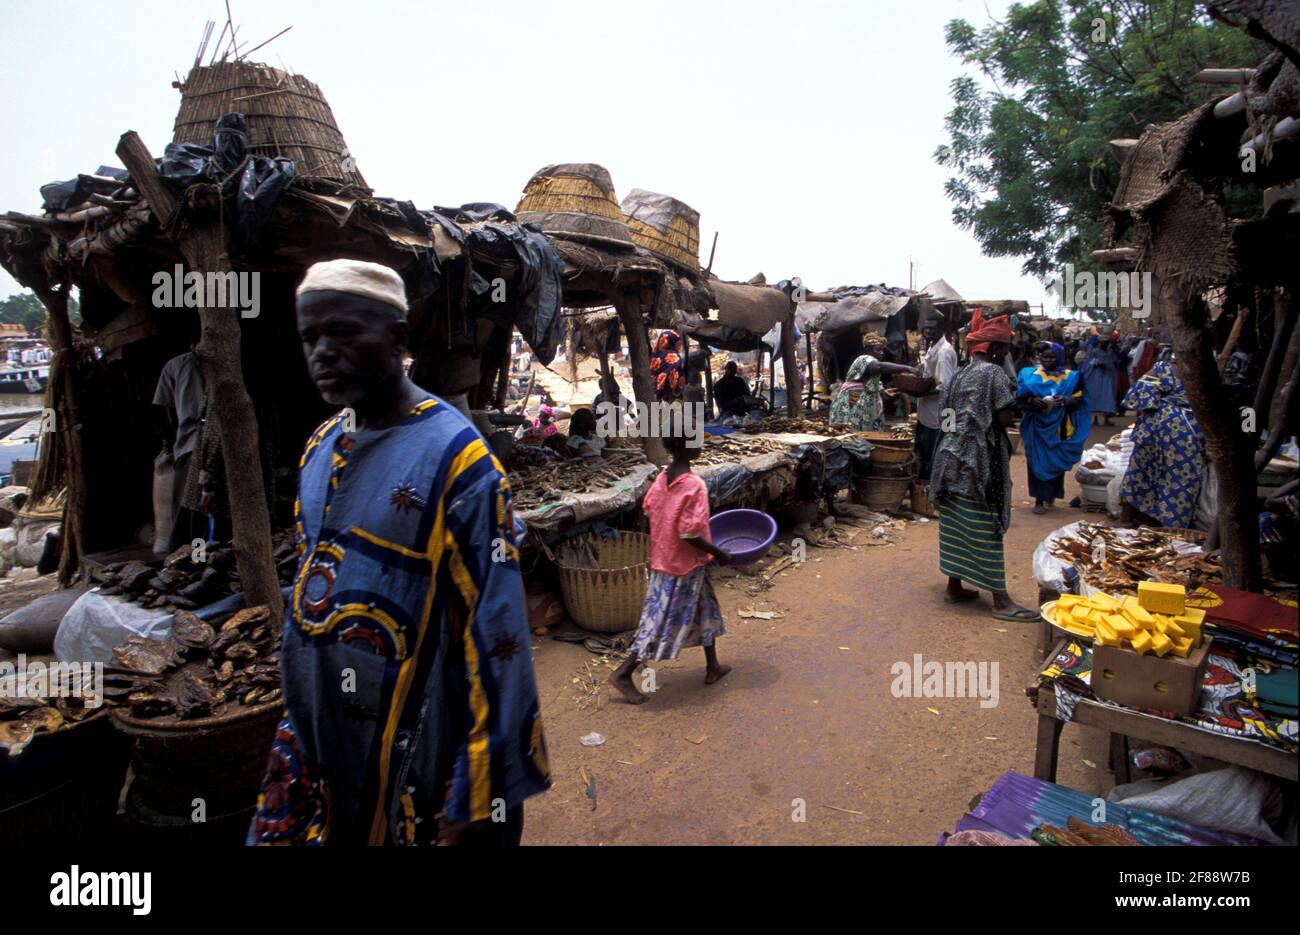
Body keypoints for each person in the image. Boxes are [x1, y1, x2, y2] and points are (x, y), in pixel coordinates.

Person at [248, 259, 549, 846]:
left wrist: (478, 789)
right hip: (322, 739)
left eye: (343, 333)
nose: (322, 354)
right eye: (310, 337)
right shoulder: (319, 448)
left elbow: (499, 628)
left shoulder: (458, 461)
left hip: (419, 746)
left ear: (399, 338)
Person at [609, 431, 732, 704]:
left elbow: (648, 509)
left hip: (665, 558)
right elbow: (690, 533)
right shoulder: (694, 485)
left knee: (706, 609)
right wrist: (720, 552)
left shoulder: (662, 477)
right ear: (692, 447)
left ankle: (713, 666)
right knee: (658, 621)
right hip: (681, 565)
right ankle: (624, 672)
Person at [930, 312, 1037, 621]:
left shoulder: (958, 375)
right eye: (1005, 349)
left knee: (954, 521)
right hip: (977, 461)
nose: (1007, 354)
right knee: (984, 523)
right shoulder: (993, 373)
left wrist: (959, 436)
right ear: (993, 349)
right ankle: (1001, 601)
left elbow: (946, 419)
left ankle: (954, 586)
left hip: (948, 456)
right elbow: (1004, 419)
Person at [1119, 355, 1207, 529]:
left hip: (1156, 428)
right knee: (1180, 481)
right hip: (1191, 431)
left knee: (1139, 472)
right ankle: (1172, 527)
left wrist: (1154, 408)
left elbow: (1141, 393)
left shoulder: (1162, 369)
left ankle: (1126, 520)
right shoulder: (1207, 373)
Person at [1016, 342, 1089, 514]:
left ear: (1060, 358)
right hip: (1036, 426)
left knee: (1054, 459)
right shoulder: (1029, 375)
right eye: (1045, 357)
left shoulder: (1072, 377)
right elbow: (1020, 398)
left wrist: (1064, 400)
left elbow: (1078, 400)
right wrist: (1033, 402)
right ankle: (1039, 500)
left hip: (1059, 426)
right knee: (1035, 461)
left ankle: (1051, 495)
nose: (1048, 360)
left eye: (1052, 357)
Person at [153, 346, 207, 551]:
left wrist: (168, 441)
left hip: (189, 443)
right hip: (203, 441)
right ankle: (198, 555)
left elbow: (160, 408)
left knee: (188, 506)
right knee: (199, 507)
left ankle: (189, 557)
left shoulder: (175, 365)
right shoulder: (217, 360)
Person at [913, 314, 958, 480]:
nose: (928, 331)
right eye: (926, 328)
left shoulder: (944, 352)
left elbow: (945, 387)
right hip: (933, 411)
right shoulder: (934, 348)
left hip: (940, 412)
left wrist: (919, 392)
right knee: (933, 450)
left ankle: (932, 490)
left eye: (932, 328)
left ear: (942, 330)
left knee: (937, 451)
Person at [828, 345, 915, 431]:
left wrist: (883, 391)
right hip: (853, 398)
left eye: (882, 350)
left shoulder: (873, 364)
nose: (882, 353)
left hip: (864, 402)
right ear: (868, 350)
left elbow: (870, 384)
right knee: (851, 429)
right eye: (878, 350)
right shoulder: (863, 359)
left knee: (865, 431)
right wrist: (907, 368)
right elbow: (880, 367)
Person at [1080, 334, 1119, 424]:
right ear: (1100, 343)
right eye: (1103, 342)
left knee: (1108, 396)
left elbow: (1114, 362)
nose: (1105, 344)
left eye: (1106, 342)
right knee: (1096, 395)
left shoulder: (1110, 352)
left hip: (1108, 376)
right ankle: (1095, 419)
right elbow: (1089, 363)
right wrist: (1097, 365)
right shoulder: (1094, 352)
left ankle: (1106, 419)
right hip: (1096, 377)